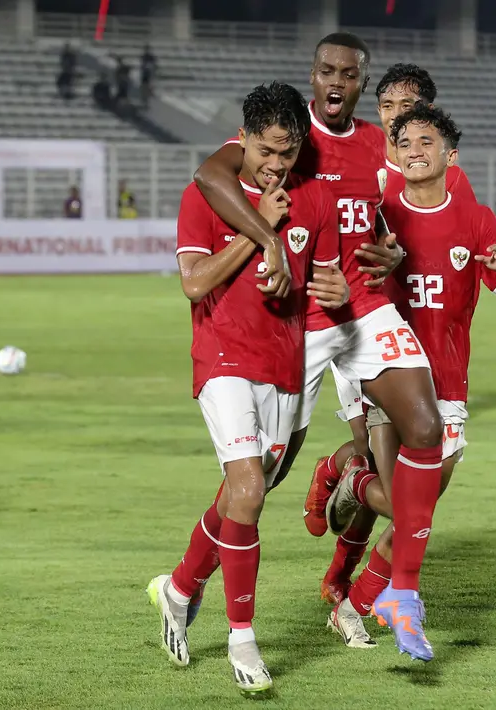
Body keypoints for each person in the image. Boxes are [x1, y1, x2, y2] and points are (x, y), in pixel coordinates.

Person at [193, 33, 443, 662]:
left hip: (362, 308)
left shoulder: (377, 145)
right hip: (294, 325)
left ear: (362, 83)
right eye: (327, 70)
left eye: (349, 74)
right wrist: (270, 243)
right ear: (312, 75)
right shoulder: (283, 133)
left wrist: (392, 253)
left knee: (426, 426)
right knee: (260, 479)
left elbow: (381, 220)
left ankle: (400, 590)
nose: (336, 81)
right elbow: (210, 176)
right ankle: (187, 578)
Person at [145, 82, 347, 696]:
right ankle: (243, 640)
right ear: (243, 139)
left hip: (284, 365)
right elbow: (194, 283)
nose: (275, 164)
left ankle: (180, 588)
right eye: (265, 150)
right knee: (251, 490)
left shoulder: (314, 199)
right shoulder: (206, 195)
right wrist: (259, 232)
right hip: (222, 357)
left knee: (243, 494)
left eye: (288, 152)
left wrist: (337, 290)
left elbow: (324, 282)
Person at [312, 104, 496, 649]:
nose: (413, 151)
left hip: (447, 384)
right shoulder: (380, 212)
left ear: (451, 155)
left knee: (417, 508)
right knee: (407, 507)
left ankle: (349, 494)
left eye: (426, 142)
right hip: (390, 372)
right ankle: (366, 598)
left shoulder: (475, 218)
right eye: (404, 142)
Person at [304, 63, 480, 579]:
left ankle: (340, 570)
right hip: (361, 324)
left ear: (428, 111)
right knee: (377, 459)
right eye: (387, 107)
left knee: (403, 479)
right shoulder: (357, 162)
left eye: (409, 107)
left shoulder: (445, 176)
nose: (396, 116)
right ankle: (343, 556)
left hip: (418, 338)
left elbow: (458, 243)